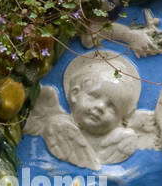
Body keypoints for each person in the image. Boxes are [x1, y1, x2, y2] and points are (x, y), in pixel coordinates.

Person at [25, 50, 153, 169]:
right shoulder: (57, 125)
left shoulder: (120, 141)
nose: (100, 107)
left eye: (112, 107)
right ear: (75, 93)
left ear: (120, 120)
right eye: (94, 96)